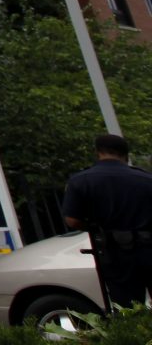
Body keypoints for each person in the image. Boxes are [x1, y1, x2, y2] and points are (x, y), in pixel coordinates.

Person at [62, 133, 152, 311]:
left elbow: (72, 220)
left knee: (128, 308)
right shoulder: (146, 179)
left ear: (97, 152)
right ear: (126, 155)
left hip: (115, 252)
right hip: (149, 247)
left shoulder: (81, 180)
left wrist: (95, 228)